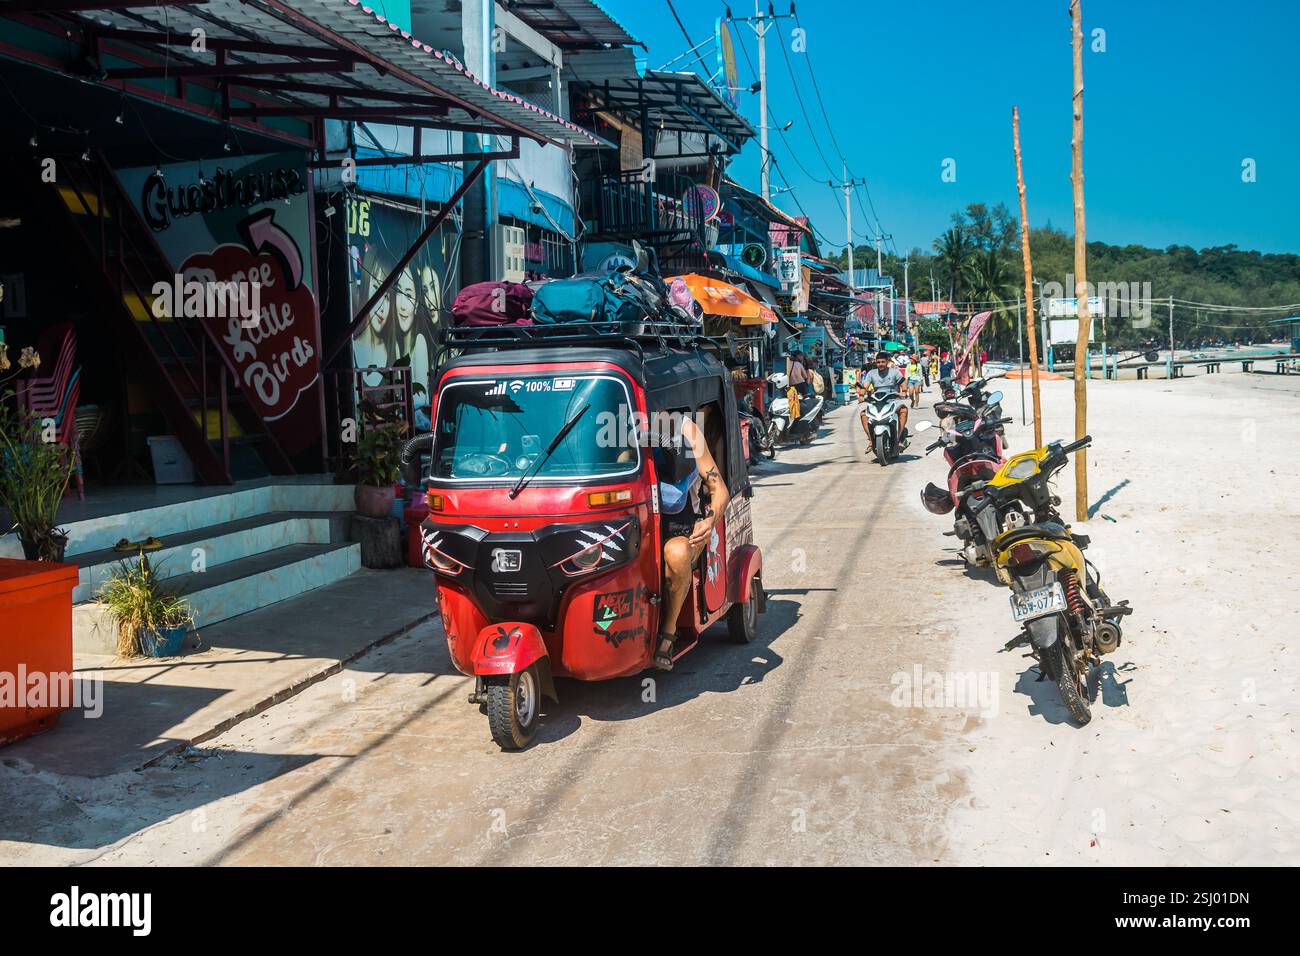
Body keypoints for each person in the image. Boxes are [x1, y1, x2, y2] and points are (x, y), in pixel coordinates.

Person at [654, 411, 729, 671]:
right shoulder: (620, 419)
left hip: (682, 529)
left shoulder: (686, 429)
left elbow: (719, 489)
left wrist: (708, 521)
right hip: (639, 526)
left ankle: (668, 632)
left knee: (675, 553)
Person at [859, 350, 908, 448]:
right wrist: (861, 395)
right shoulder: (871, 373)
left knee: (904, 410)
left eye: (882, 362)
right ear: (875, 362)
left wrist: (904, 392)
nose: (880, 364)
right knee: (863, 414)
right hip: (877, 400)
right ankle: (871, 440)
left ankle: (898, 438)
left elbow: (903, 383)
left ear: (887, 362)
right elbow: (865, 386)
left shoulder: (894, 372)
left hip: (893, 399)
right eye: (878, 362)